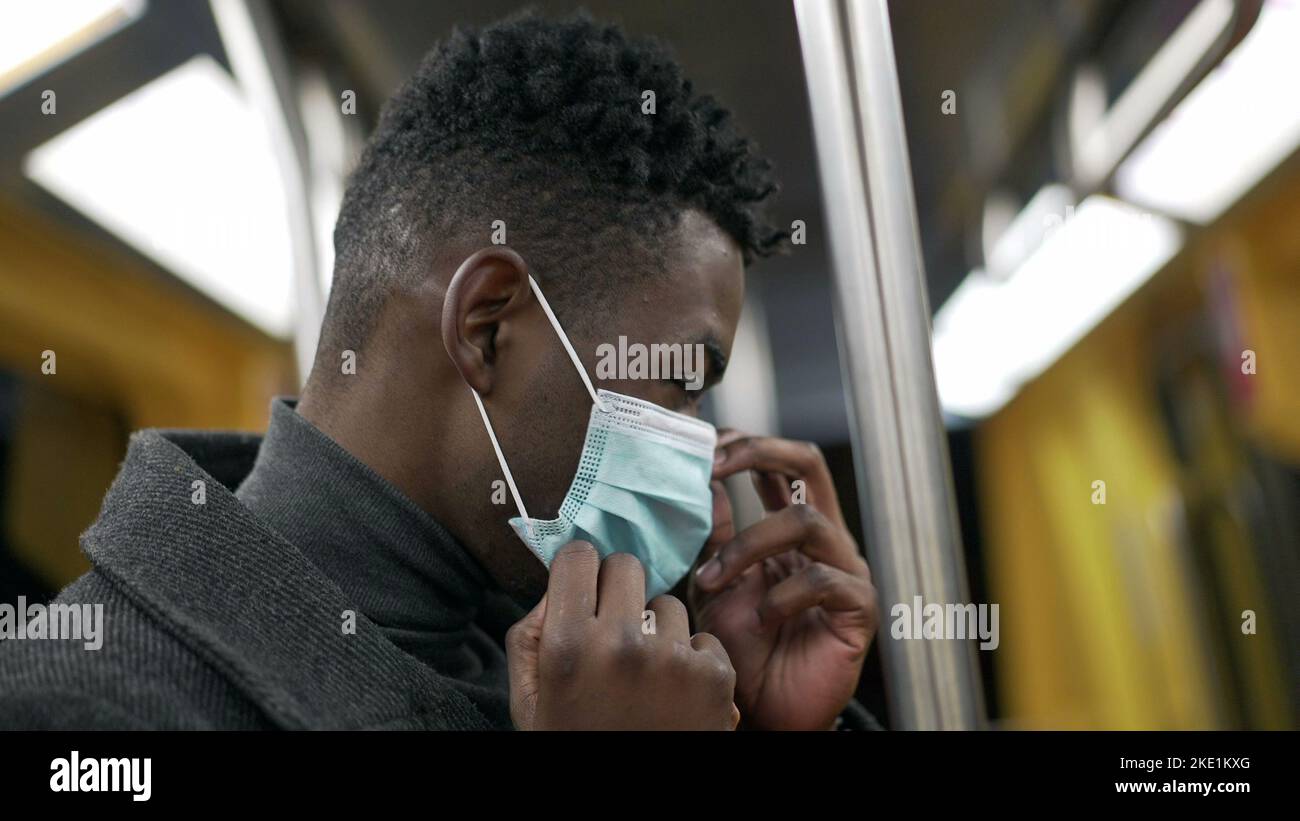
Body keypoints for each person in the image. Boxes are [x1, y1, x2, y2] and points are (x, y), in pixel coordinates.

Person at [0, 12, 879, 730]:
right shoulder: (89, 705)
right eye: (681, 377)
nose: (706, 461)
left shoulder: (570, 655)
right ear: (488, 327)